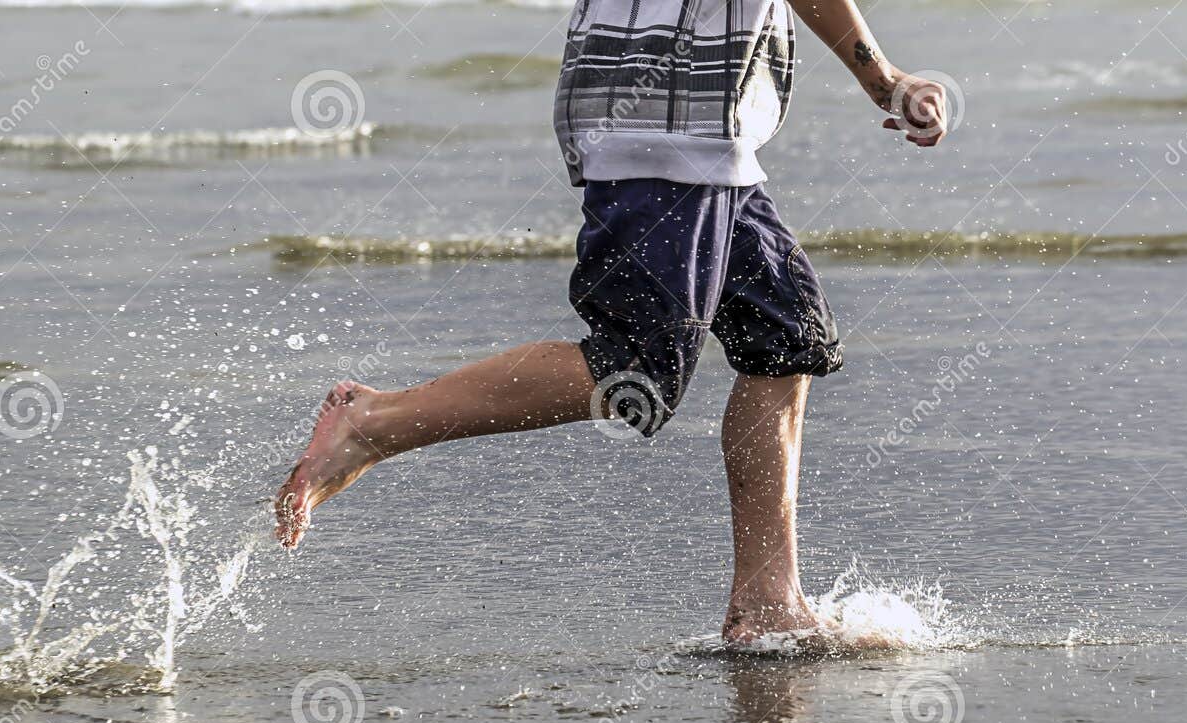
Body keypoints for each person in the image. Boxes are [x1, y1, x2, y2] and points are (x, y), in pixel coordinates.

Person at [275, 0, 948, 647]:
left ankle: (769, 601)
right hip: (674, 124)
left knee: (786, 336)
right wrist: (883, 79)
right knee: (637, 370)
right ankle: (374, 424)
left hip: (676, 117)